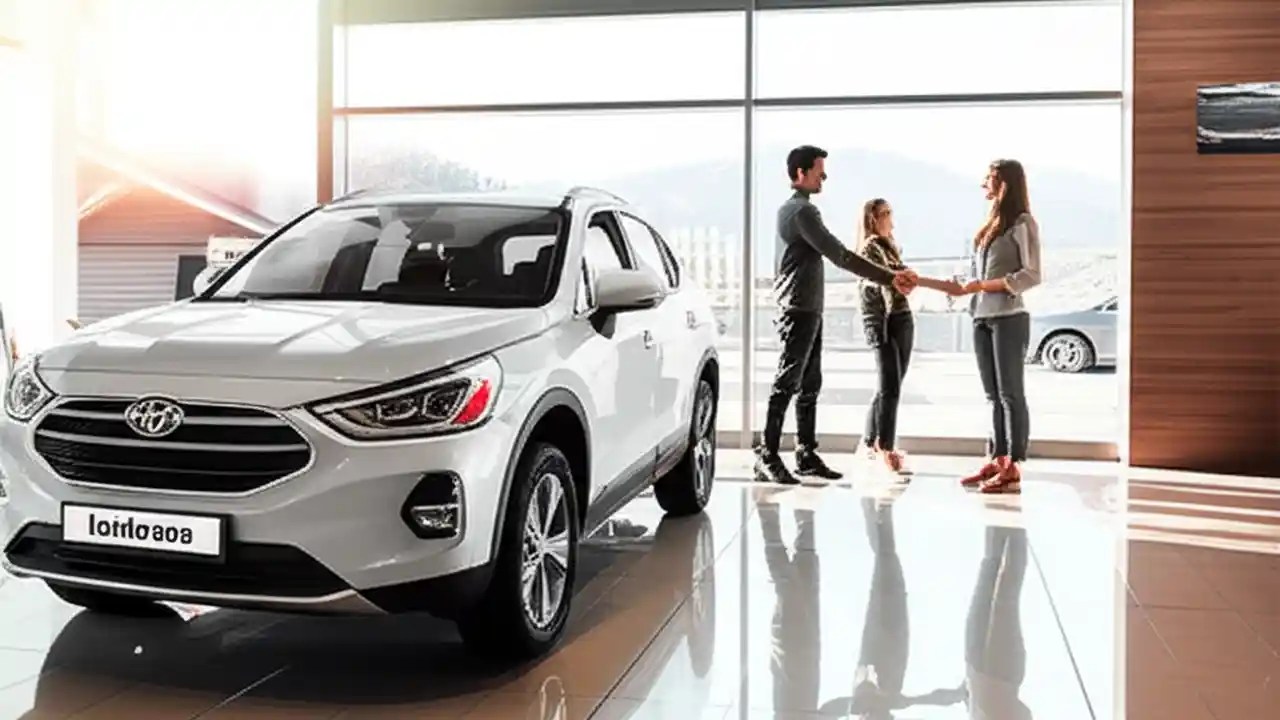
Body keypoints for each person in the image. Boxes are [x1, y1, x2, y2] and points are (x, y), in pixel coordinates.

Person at [756, 145, 918, 486]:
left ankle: (805, 453)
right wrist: (891, 277)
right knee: (788, 382)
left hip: (806, 307)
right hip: (798, 308)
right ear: (801, 173)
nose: (824, 176)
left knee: (810, 383)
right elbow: (841, 256)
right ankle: (767, 454)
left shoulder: (796, 210)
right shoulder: (801, 213)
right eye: (819, 170)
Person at [953, 160, 1042, 494]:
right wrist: (968, 284)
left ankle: (1013, 467)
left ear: (1004, 184)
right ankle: (997, 456)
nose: (983, 184)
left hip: (1009, 318)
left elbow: (1032, 275)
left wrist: (986, 286)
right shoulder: (991, 224)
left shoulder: (1023, 222)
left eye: (989, 179)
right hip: (981, 318)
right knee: (992, 395)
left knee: (1011, 395)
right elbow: (981, 275)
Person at [857, 199, 916, 477]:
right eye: (884, 214)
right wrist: (906, 279)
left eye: (891, 212)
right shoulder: (870, 247)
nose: (890, 218)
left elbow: (900, 283)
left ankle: (870, 442)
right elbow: (887, 281)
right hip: (884, 322)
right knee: (889, 387)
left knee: (889, 385)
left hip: (901, 319)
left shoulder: (891, 244)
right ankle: (886, 448)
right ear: (872, 218)